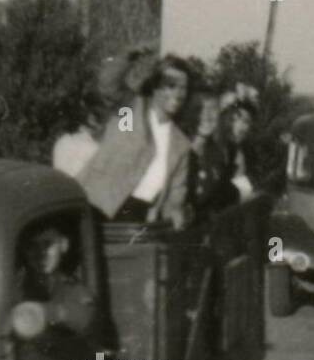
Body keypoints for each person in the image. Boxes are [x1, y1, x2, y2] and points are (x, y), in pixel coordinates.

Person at [75, 51, 193, 229]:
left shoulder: (181, 144)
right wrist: (129, 56)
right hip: (98, 206)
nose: (178, 93)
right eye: (171, 85)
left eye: (183, 87)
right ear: (155, 86)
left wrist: (175, 209)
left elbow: (177, 190)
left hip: (136, 220)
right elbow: (109, 85)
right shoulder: (130, 113)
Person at [186, 91, 239, 222]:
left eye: (213, 109)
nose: (208, 114)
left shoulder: (218, 151)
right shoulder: (180, 143)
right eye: (202, 109)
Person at [219, 84, 259, 201]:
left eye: (246, 121)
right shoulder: (215, 150)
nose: (241, 127)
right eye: (234, 119)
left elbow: (244, 193)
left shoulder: (242, 154)